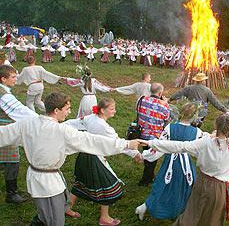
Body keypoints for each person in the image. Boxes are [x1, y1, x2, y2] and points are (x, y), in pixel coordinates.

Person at [0, 92, 140, 226]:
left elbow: (3, 133)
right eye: (67, 109)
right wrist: (126, 144)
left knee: (55, 208)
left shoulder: (28, 123)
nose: (69, 112)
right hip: (47, 184)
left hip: (41, 178)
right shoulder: (61, 131)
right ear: (56, 110)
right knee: (55, 220)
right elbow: (92, 141)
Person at [137, 114, 229, 226]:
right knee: (211, 219)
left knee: (191, 214)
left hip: (201, 183)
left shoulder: (205, 142)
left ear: (215, 126)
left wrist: (150, 142)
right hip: (218, 189)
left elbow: (179, 146)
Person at [64, 98, 140, 225]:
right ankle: (104, 218)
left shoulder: (90, 118)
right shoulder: (104, 127)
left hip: (83, 155)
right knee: (108, 185)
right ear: (102, 110)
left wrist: (55, 125)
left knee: (81, 182)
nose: (115, 111)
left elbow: (72, 123)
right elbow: (118, 143)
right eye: (112, 108)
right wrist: (135, 154)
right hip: (94, 158)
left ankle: (66, 208)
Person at [135, 102, 203, 220]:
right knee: (183, 187)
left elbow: (160, 146)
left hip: (171, 161)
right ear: (194, 116)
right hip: (185, 164)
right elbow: (199, 151)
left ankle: (150, 207)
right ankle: (171, 210)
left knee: (162, 186)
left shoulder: (170, 127)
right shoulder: (197, 132)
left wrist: (145, 155)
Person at [0, 65, 38, 204]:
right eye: (13, 77)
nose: (16, 79)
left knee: (10, 161)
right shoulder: (3, 94)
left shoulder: (4, 90)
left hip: (6, 129)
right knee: (12, 160)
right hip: (4, 131)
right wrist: (41, 120)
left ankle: (12, 191)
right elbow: (19, 110)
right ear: (3, 79)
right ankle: (11, 194)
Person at [137, 83, 170, 186]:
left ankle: (150, 176)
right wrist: (164, 103)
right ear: (160, 92)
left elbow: (137, 111)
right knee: (151, 159)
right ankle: (145, 180)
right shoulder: (164, 105)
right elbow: (167, 119)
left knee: (147, 154)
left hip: (141, 133)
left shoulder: (142, 99)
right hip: (155, 136)